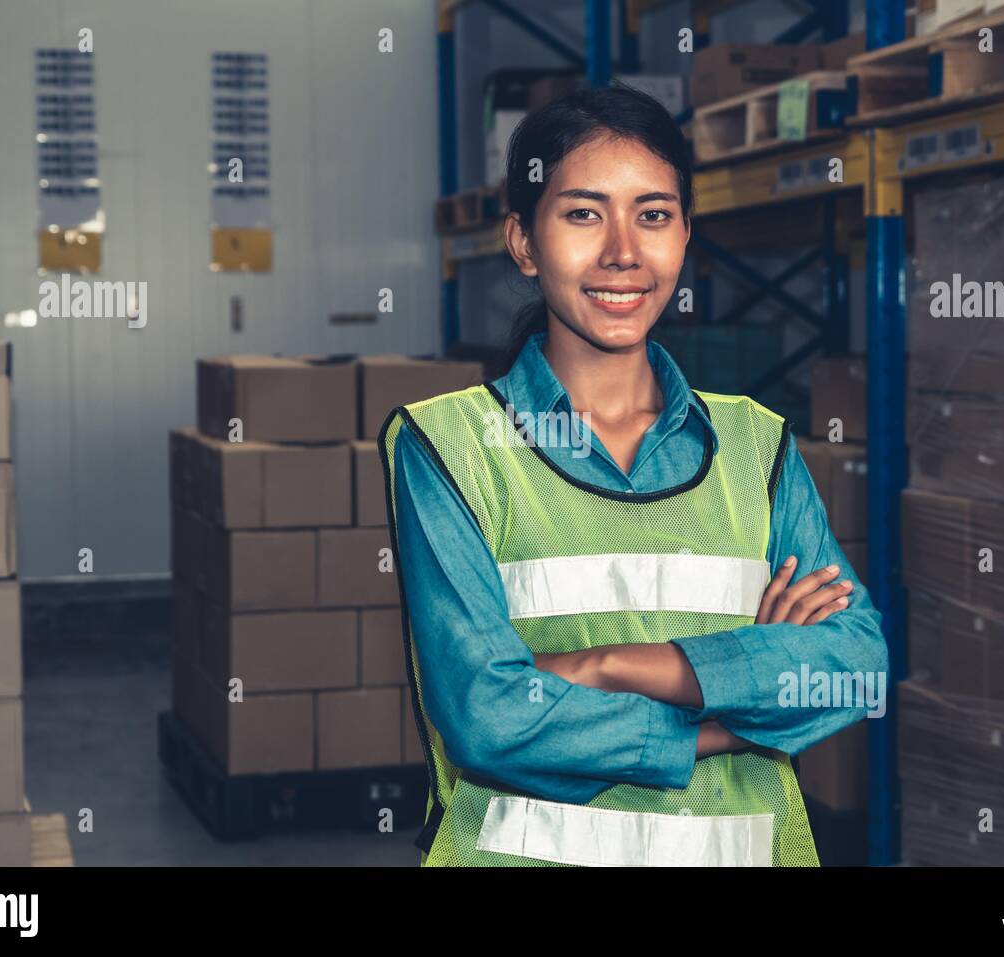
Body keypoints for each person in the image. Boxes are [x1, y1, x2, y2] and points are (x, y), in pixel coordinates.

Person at [378, 83, 889, 867]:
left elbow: (854, 667)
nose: (623, 251)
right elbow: (487, 715)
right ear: (522, 241)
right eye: (583, 213)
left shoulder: (756, 445)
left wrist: (603, 665)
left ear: (684, 235)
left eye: (652, 215)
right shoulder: (450, 447)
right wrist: (728, 702)